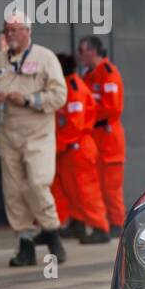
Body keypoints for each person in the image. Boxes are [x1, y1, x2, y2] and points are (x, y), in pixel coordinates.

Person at [0, 14, 69, 265]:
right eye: (7, 29)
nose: (11, 34)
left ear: (28, 31)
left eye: (16, 29)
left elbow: (60, 95)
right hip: (8, 134)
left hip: (38, 132)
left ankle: (52, 233)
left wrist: (28, 99)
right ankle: (25, 244)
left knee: (37, 183)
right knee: (14, 191)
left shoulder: (45, 58)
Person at [52, 53, 110, 244]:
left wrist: (56, 145)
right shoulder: (67, 85)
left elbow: (75, 125)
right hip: (70, 148)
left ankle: (100, 228)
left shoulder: (74, 87)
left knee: (86, 189)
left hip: (78, 147)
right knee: (71, 189)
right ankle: (78, 223)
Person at [78, 36, 127, 238]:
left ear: (93, 51)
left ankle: (117, 224)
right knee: (96, 183)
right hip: (94, 137)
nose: (80, 56)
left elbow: (112, 108)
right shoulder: (88, 75)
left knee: (111, 186)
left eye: (83, 51)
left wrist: (90, 114)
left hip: (108, 137)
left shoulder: (108, 73)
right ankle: (103, 222)